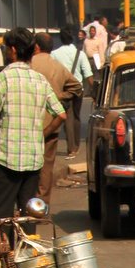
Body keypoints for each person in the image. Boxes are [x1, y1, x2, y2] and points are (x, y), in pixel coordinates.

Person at [0, 27, 65, 218]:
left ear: (12, 50)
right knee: (28, 214)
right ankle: (26, 247)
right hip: (33, 160)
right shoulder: (40, 80)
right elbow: (61, 115)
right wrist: (42, 135)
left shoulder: (5, 77)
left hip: (6, 159)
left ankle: (3, 247)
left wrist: (3, 133)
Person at [30, 31, 82, 202]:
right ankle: (42, 203)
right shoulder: (58, 67)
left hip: (28, 122)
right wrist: (60, 96)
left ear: (36, 47)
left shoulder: (28, 64)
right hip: (51, 123)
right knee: (46, 165)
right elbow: (76, 87)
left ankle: (26, 202)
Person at [52, 26, 93, 154]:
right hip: (78, 89)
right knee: (76, 116)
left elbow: (53, 73)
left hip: (63, 89)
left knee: (68, 116)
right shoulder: (80, 54)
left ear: (60, 39)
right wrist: (95, 91)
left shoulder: (54, 54)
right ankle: (76, 144)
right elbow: (88, 75)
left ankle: (71, 148)